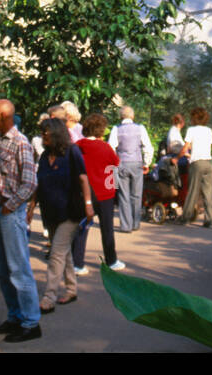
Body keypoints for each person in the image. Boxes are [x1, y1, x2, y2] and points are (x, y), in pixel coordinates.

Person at [0, 99, 42, 343]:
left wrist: (10, 206)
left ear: (3, 116)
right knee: (2, 270)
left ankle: (31, 322)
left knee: (19, 269)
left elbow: (30, 183)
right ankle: (15, 316)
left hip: (11, 212)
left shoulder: (21, 144)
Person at [27, 117, 94, 313]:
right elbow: (38, 184)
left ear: (55, 133)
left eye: (45, 133)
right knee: (64, 252)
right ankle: (72, 289)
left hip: (70, 212)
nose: (42, 137)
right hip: (50, 212)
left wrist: (88, 205)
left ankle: (49, 297)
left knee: (56, 252)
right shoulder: (44, 156)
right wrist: (31, 208)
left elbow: (83, 179)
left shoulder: (72, 152)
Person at [75, 113, 125, 272]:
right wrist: (115, 189)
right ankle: (111, 260)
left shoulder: (77, 146)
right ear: (101, 130)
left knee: (82, 228)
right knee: (107, 229)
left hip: (84, 193)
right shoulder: (105, 147)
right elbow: (115, 165)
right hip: (105, 193)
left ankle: (77, 263)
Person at [111, 105, 153, 232]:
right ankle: (135, 223)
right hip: (137, 163)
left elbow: (111, 147)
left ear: (121, 116)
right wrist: (147, 163)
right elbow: (148, 147)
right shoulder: (140, 128)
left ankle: (126, 225)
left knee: (124, 195)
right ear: (133, 116)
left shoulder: (116, 129)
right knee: (136, 194)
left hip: (122, 163)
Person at [178, 106, 212, 227]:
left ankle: (186, 218)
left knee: (193, 191)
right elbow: (208, 146)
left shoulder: (191, 130)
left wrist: (176, 158)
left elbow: (186, 147)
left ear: (194, 118)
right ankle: (209, 221)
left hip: (197, 162)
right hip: (208, 162)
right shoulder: (209, 131)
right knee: (208, 193)